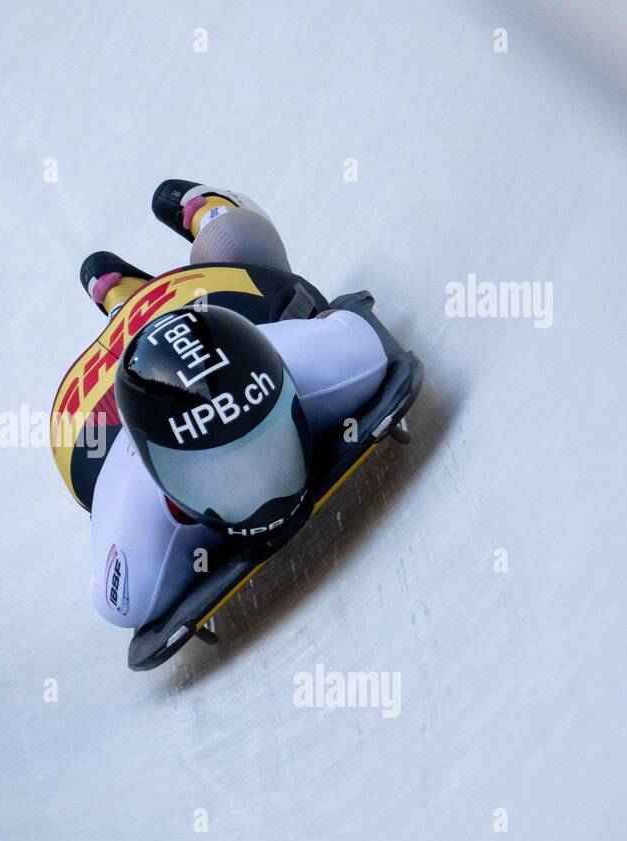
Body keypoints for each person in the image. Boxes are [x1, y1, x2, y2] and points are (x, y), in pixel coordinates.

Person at [50, 180, 390, 629]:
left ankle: (154, 264)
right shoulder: (136, 547)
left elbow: (351, 335)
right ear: (157, 478)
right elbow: (116, 600)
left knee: (254, 260)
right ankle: (126, 296)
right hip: (96, 421)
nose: (256, 485)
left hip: (217, 313)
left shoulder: (333, 364)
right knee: (257, 266)